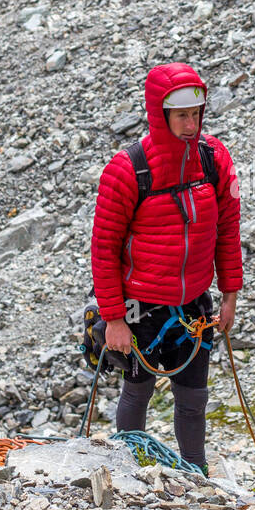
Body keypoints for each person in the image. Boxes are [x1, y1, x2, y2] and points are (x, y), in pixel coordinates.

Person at [90, 63, 242, 473]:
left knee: (194, 398)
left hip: (195, 305)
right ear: (161, 115)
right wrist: (114, 320)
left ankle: (196, 473)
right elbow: (103, 250)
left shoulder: (214, 160)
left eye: (197, 114)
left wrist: (229, 295)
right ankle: (127, 471)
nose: (191, 124)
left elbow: (227, 230)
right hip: (141, 307)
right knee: (137, 391)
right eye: (181, 116)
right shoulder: (127, 170)